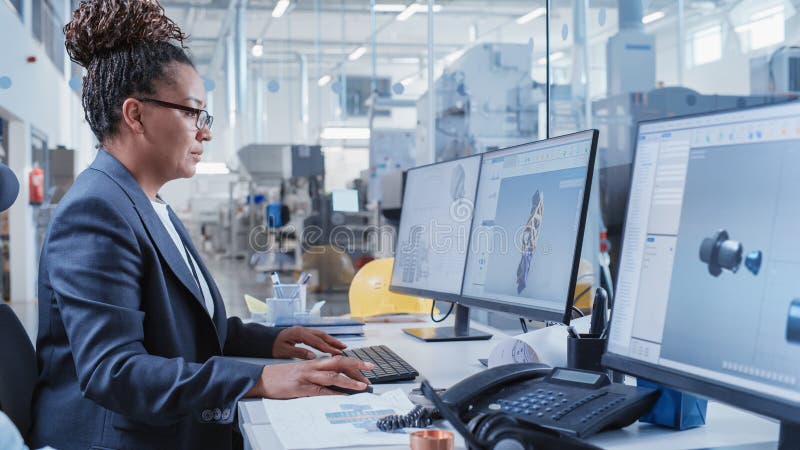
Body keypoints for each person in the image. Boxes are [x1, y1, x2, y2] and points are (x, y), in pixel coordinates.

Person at [29, 2, 372, 449]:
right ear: (135, 116)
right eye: (193, 113)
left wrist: (273, 342)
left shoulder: (151, 205)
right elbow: (113, 371)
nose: (205, 132)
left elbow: (189, 331)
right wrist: (263, 379)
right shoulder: (96, 211)